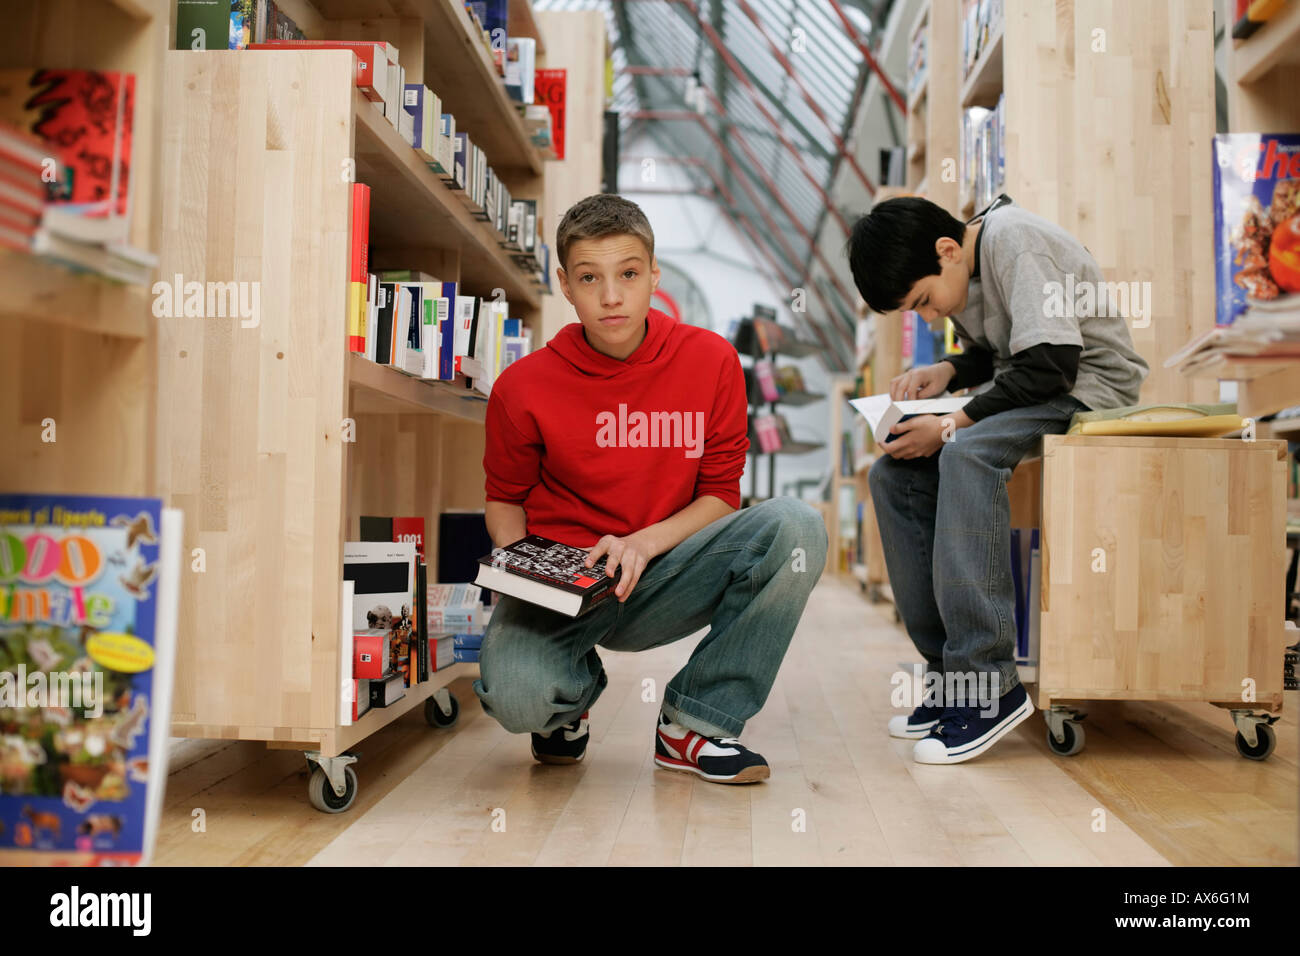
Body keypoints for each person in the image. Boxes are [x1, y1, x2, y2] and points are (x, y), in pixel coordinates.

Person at [473, 193, 828, 784]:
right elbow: (504, 499)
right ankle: (567, 701)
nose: (611, 296)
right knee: (516, 698)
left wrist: (642, 542)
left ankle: (694, 724)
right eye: (590, 278)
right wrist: (528, 581)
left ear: (654, 274)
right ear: (565, 284)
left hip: (664, 568)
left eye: (629, 274)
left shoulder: (712, 361)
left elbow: (721, 493)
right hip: (565, 583)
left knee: (796, 527)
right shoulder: (522, 386)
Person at [846, 194, 1148, 764]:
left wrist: (951, 423)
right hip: (1034, 385)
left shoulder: (1017, 242)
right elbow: (997, 352)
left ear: (947, 251)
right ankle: (951, 677)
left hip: (1087, 390)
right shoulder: (968, 264)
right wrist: (948, 370)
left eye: (924, 302)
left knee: (965, 451)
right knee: (893, 475)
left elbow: (1051, 362)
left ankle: (988, 683)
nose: (929, 318)